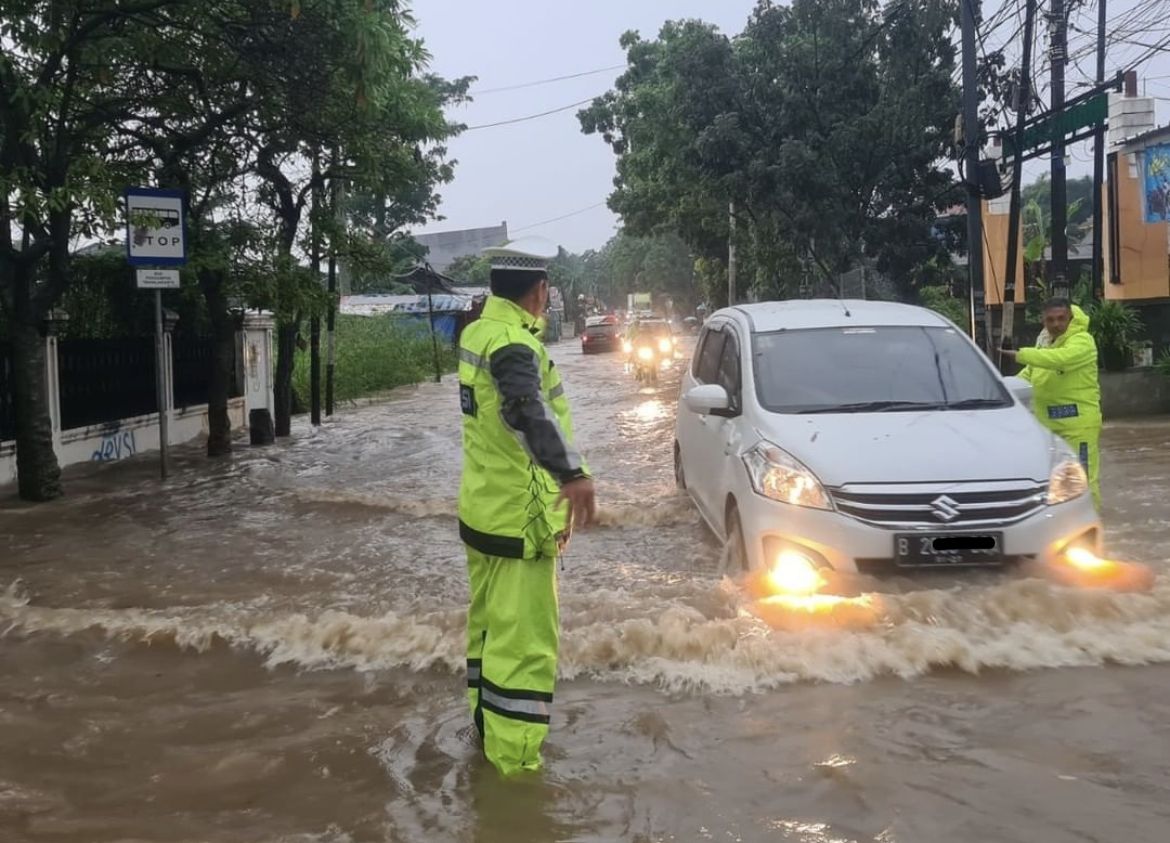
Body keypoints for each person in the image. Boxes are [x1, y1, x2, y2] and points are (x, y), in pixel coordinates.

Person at [457, 236, 597, 776]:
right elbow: (522, 409)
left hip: (483, 513)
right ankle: (514, 773)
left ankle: (485, 733)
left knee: (490, 633)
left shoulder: (477, 333)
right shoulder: (514, 345)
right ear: (539, 292)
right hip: (522, 521)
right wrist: (573, 474)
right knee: (525, 648)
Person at [1001, 298, 1102, 508]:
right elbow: (1030, 373)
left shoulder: (1083, 341)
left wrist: (1021, 354)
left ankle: (1090, 527)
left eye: (1061, 319)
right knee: (1051, 485)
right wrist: (1000, 388)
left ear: (1070, 318)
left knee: (1081, 480)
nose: (1056, 324)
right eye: (1050, 320)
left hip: (1078, 427)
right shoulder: (1044, 341)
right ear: (1043, 321)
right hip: (1047, 427)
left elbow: (1060, 359)